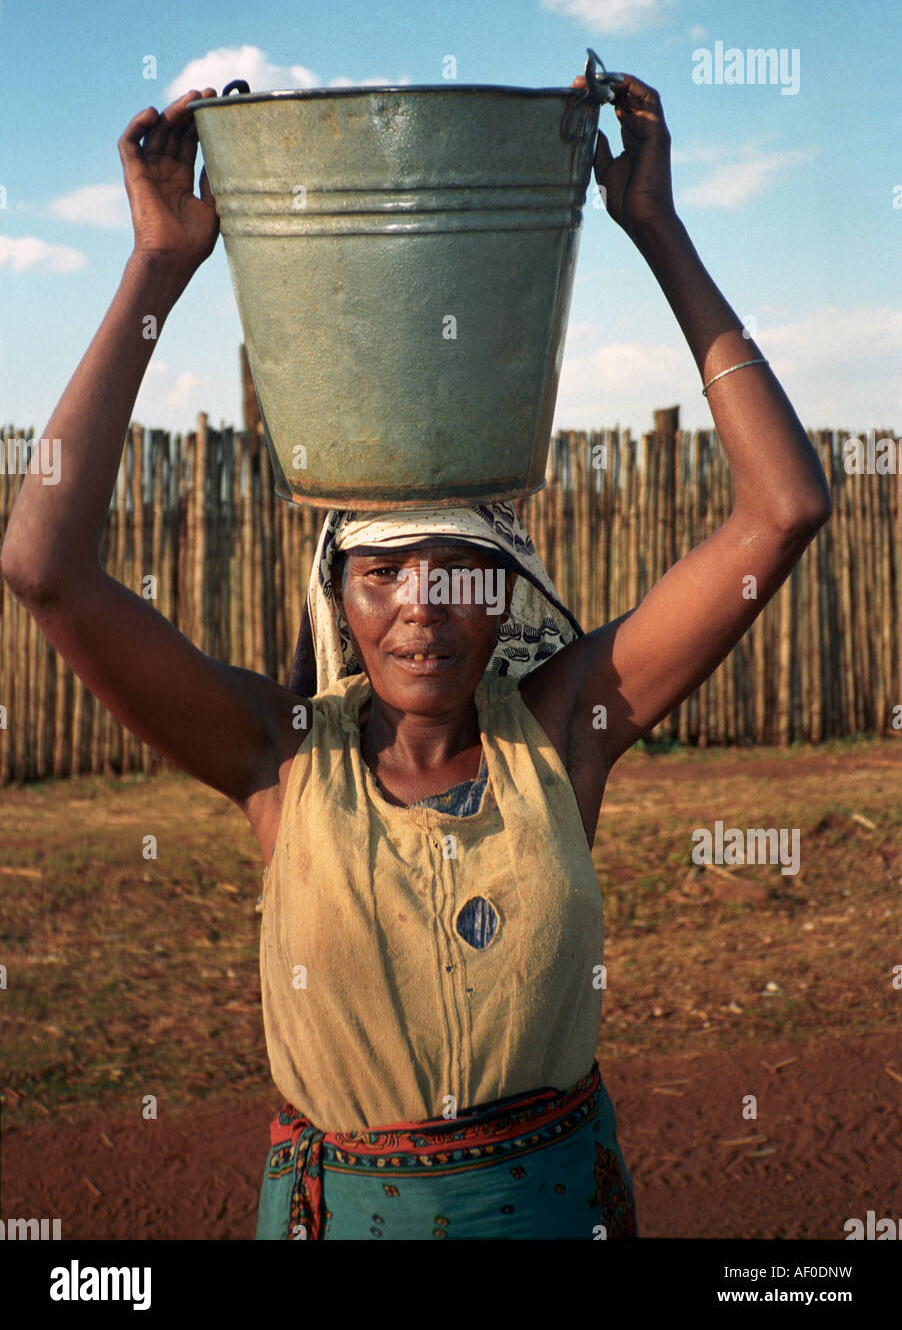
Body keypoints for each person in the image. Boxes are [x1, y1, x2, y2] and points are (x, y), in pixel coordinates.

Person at [0, 72, 831, 1241]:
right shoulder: (277, 758)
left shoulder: (563, 732)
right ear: (337, 602)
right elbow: (44, 566)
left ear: (506, 601)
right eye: (382, 573)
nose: (420, 608)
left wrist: (656, 228)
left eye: (457, 572)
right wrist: (156, 267)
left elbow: (783, 506)